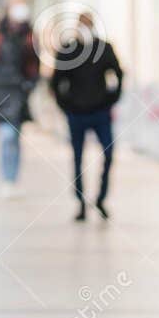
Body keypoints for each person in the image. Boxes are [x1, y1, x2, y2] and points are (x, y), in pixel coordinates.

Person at [51, 11, 124, 222]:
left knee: (109, 154)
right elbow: (57, 81)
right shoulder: (68, 50)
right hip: (77, 113)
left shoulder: (104, 48)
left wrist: (111, 99)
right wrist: (66, 105)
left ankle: (100, 198)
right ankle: (81, 201)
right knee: (77, 157)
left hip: (100, 111)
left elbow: (118, 74)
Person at [0, 0, 39, 197]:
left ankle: (13, 178)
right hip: (1, 93)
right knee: (6, 137)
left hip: (20, 94)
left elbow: (34, 64)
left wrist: (29, 85)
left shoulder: (29, 35)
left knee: (15, 136)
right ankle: (7, 179)